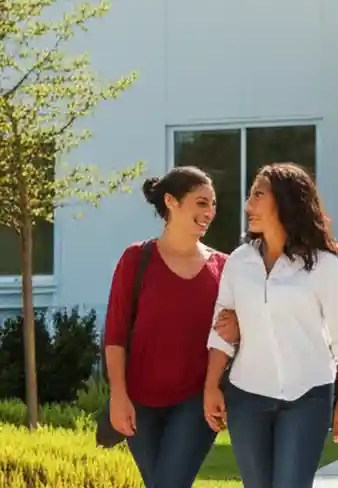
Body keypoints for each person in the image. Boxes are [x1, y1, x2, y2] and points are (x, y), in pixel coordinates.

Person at [203, 163, 338, 488]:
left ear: (286, 202)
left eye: (258, 195)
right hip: (247, 396)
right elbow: (221, 331)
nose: (249, 206)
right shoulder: (239, 262)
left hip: (308, 395)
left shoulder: (322, 266)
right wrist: (211, 386)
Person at [104, 167, 233, 488]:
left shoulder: (225, 267)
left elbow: (240, 328)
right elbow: (115, 335)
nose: (210, 212)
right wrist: (118, 395)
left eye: (213, 204)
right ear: (171, 202)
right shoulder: (136, 259)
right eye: (201, 203)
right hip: (139, 401)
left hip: (195, 399)